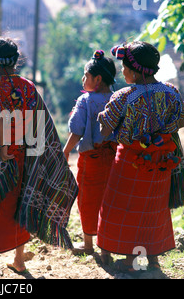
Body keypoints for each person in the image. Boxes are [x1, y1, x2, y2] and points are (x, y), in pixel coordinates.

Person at [0, 37, 78, 276]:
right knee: (19, 207)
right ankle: (19, 260)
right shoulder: (28, 88)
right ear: (15, 62)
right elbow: (38, 126)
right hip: (20, 162)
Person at [96, 41, 184, 272]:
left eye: (125, 67)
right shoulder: (172, 92)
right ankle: (153, 258)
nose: (122, 71)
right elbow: (181, 121)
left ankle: (130, 261)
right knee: (153, 208)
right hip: (161, 160)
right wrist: (160, 133)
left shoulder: (123, 96)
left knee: (124, 208)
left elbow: (105, 131)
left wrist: (102, 118)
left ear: (135, 71)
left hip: (131, 161)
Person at [63, 50, 118, 256]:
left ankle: (88, 244)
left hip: (92, 159)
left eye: (85, 75)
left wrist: (65, 151)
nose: (83, 79)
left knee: (88, 199)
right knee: (109, 199)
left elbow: (76, 130)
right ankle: (106, 247)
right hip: (114, 159)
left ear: (97, 79)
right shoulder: (117, 99)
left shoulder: (85, 101)